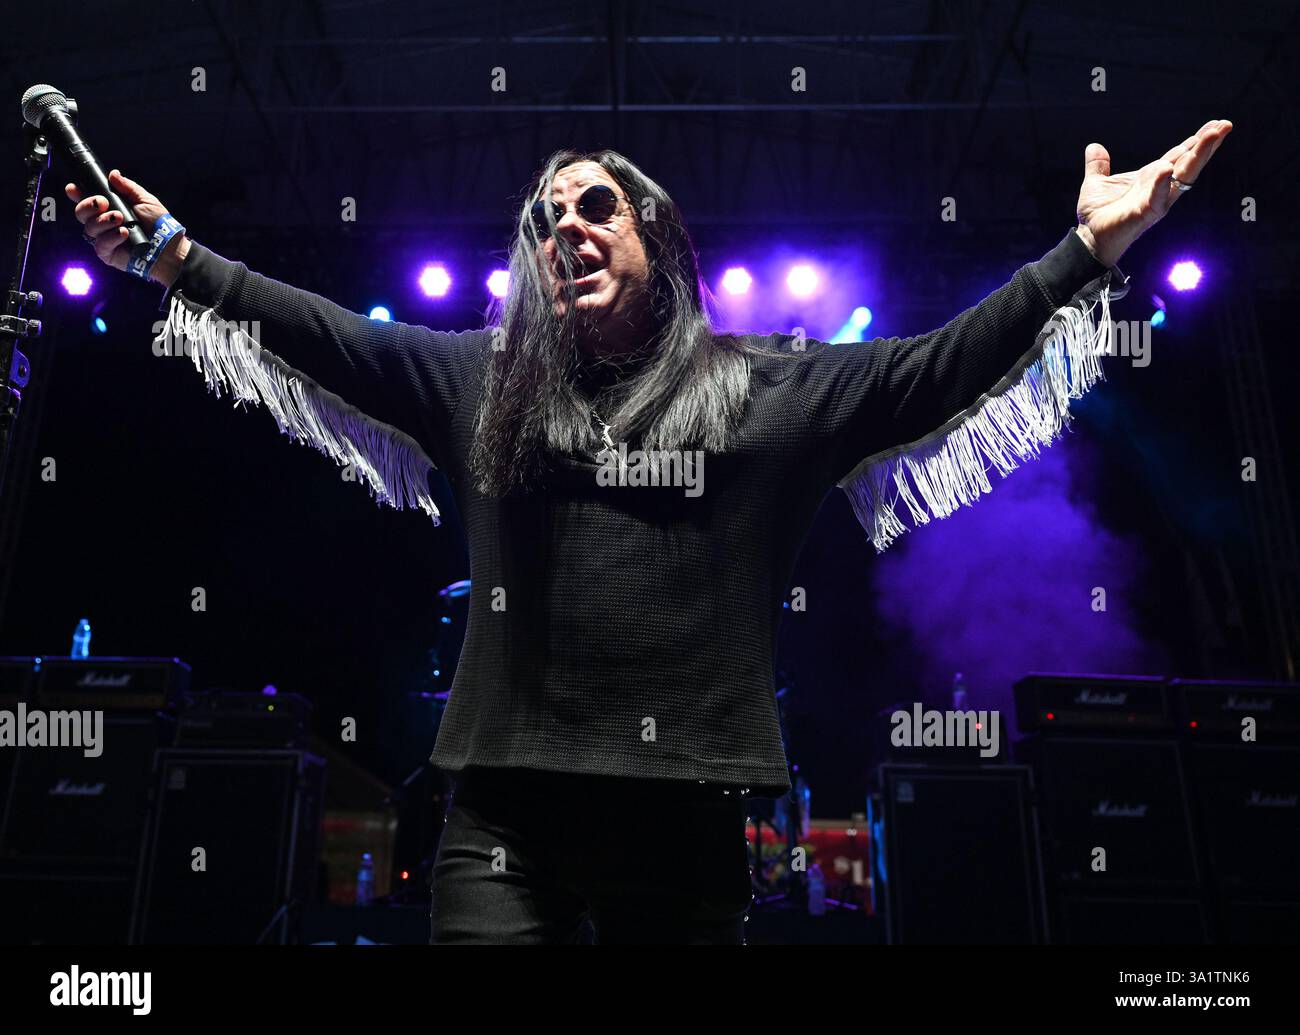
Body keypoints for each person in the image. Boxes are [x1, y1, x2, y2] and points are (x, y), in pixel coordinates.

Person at [68, 120, 1232, 944]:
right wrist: (174, 256)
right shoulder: (480, 385)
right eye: (541, 218)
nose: (562, 227)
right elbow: (320, 334)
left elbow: (942, 367)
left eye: (591, 206)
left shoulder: (769, 387)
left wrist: (1088, 252)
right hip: (501, 817)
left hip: (682, 818)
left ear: (657, 241)